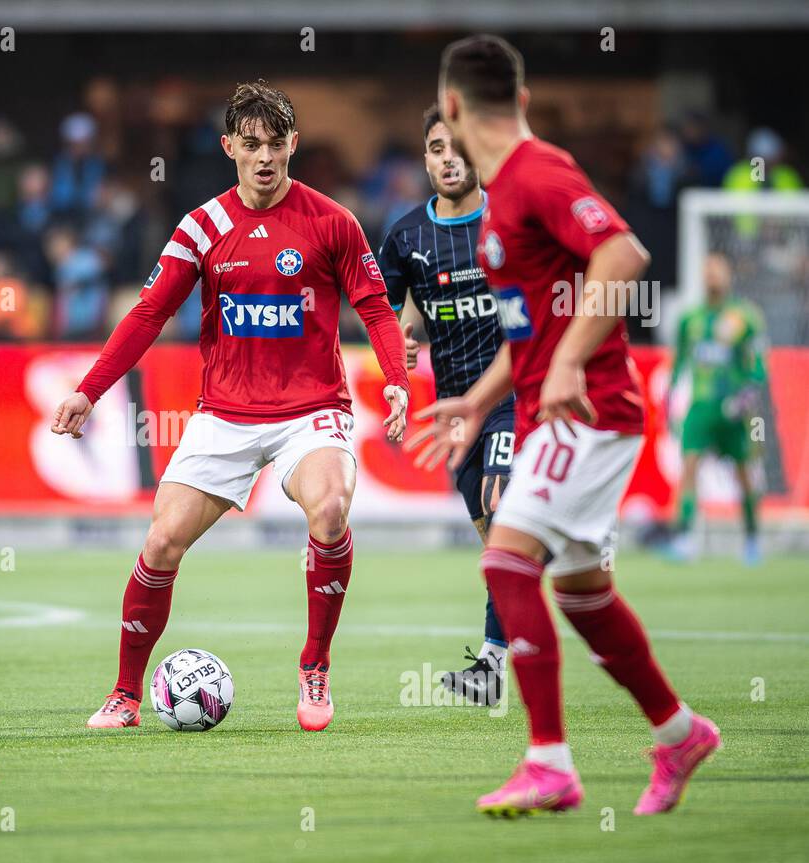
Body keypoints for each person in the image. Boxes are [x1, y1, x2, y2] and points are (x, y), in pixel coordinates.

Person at [408, 36, 720, 816]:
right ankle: (679, 732)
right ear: (518, 94)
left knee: (506, 562)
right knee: (583, 593)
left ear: (452, 105)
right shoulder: (503, 193)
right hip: (558, 406)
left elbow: (622, 253)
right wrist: (479, 401)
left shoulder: (539, 173)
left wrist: (576, 360)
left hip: (589, 409)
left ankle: (548, 761)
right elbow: (536, 331)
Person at [51, 80, 410, 733]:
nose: (265, 157)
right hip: (225, 414)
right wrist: (89, 388)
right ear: (229, 148)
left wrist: (396, 380)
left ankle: (315, 663)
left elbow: (376, 307)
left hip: (311, 409)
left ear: (294, 144)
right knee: (160, 542)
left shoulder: (333, 221)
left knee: (330, 508)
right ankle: (126, 694)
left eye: (276, 144)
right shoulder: (203, 226)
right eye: (251, 145)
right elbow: (149, 311)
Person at [378, 103, 512, 706]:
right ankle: (502, 662)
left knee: (499, 505)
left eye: (458, 147)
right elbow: (392, 320)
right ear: (425, 158)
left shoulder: (510, 222)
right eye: (436, 149)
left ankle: (496, 665)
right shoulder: (407, 237)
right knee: (496, 537)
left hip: (514, 396)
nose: (449, 158)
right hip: (455, 412)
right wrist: (399, 372)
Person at [669, 252, 767, 564]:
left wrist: (745, 398)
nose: (712, 277)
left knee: (744, 473)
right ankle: (685, 538)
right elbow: (679, 363)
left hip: (733, 412)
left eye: (718, 271)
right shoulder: (690, 319)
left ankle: (752, 539)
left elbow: (759, 367)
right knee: (689, 468)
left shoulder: (745, 317)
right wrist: (672, 399)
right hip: (700, 408)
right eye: (707, 271)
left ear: (728, 276)